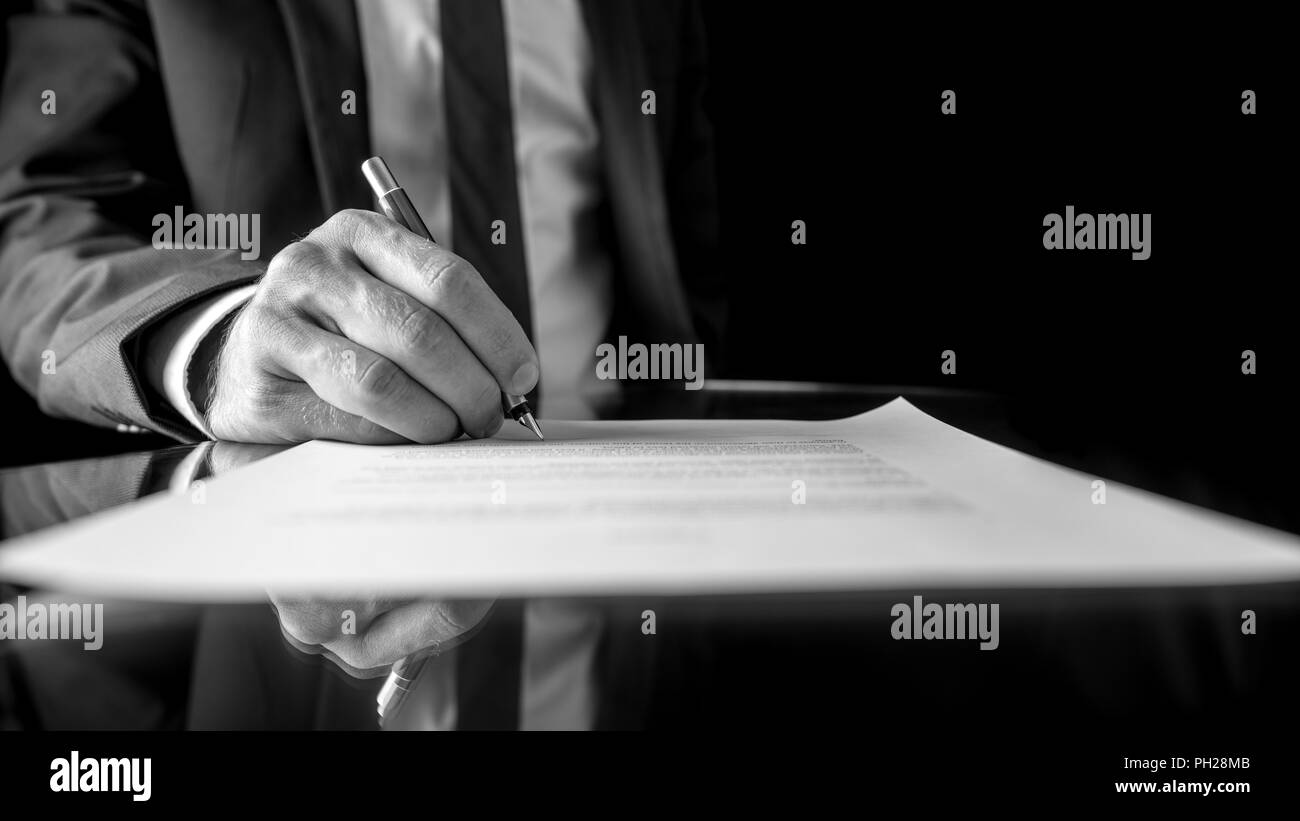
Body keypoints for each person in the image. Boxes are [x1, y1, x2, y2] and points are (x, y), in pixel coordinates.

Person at [0, 0, 722, 729]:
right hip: (298, 566)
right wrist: (221, 343)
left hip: (619, 554)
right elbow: (42, 212)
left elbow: (687, 249)